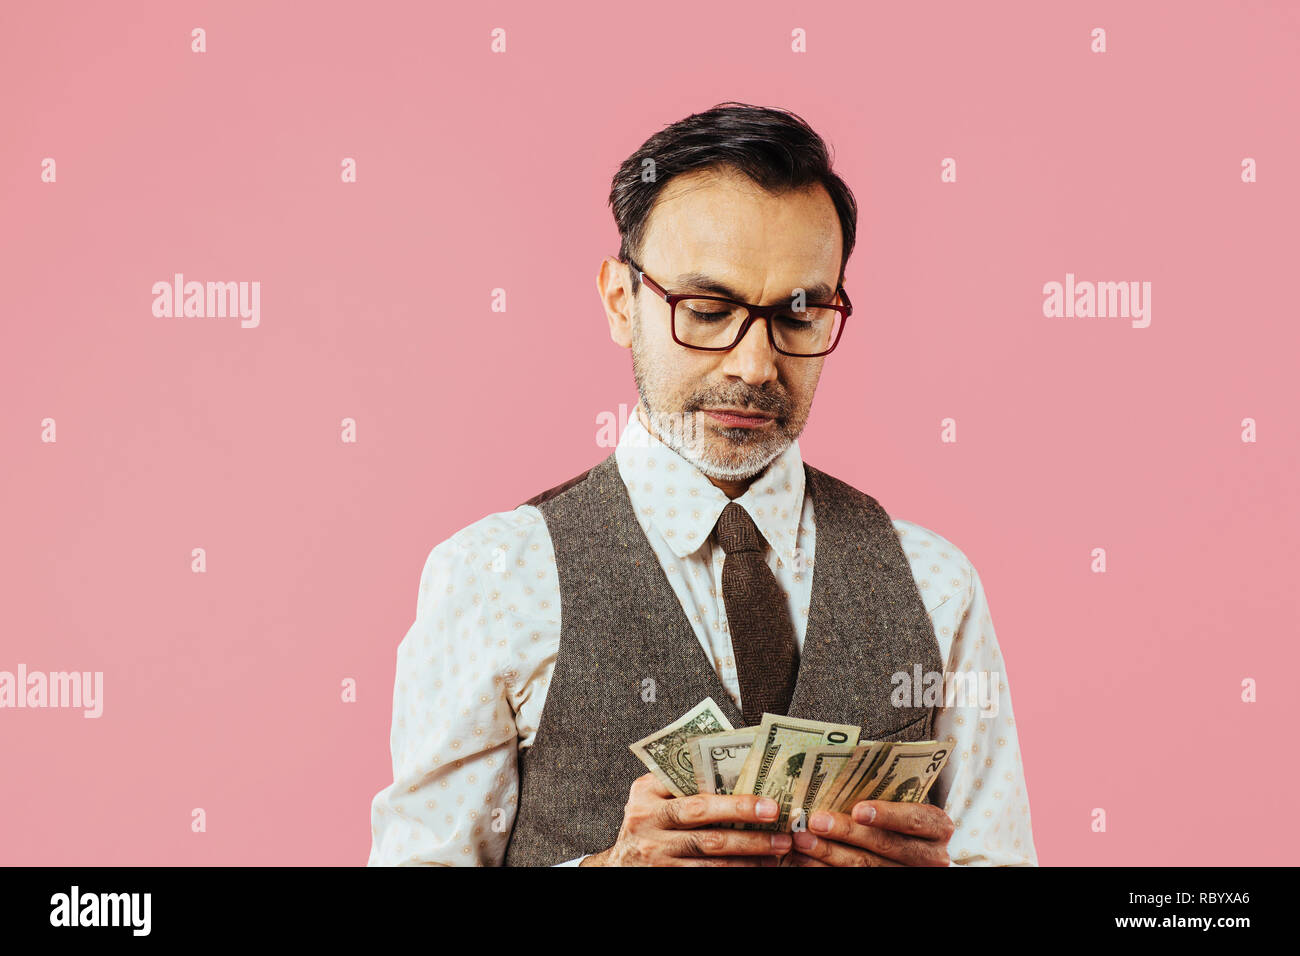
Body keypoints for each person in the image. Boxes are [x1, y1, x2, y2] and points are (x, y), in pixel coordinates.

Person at [368, 102, 1037, 867]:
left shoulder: (938, 585)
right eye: (709, 310)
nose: (754, 366)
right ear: (622, 301)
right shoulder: (491, 578)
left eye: (798, 315)